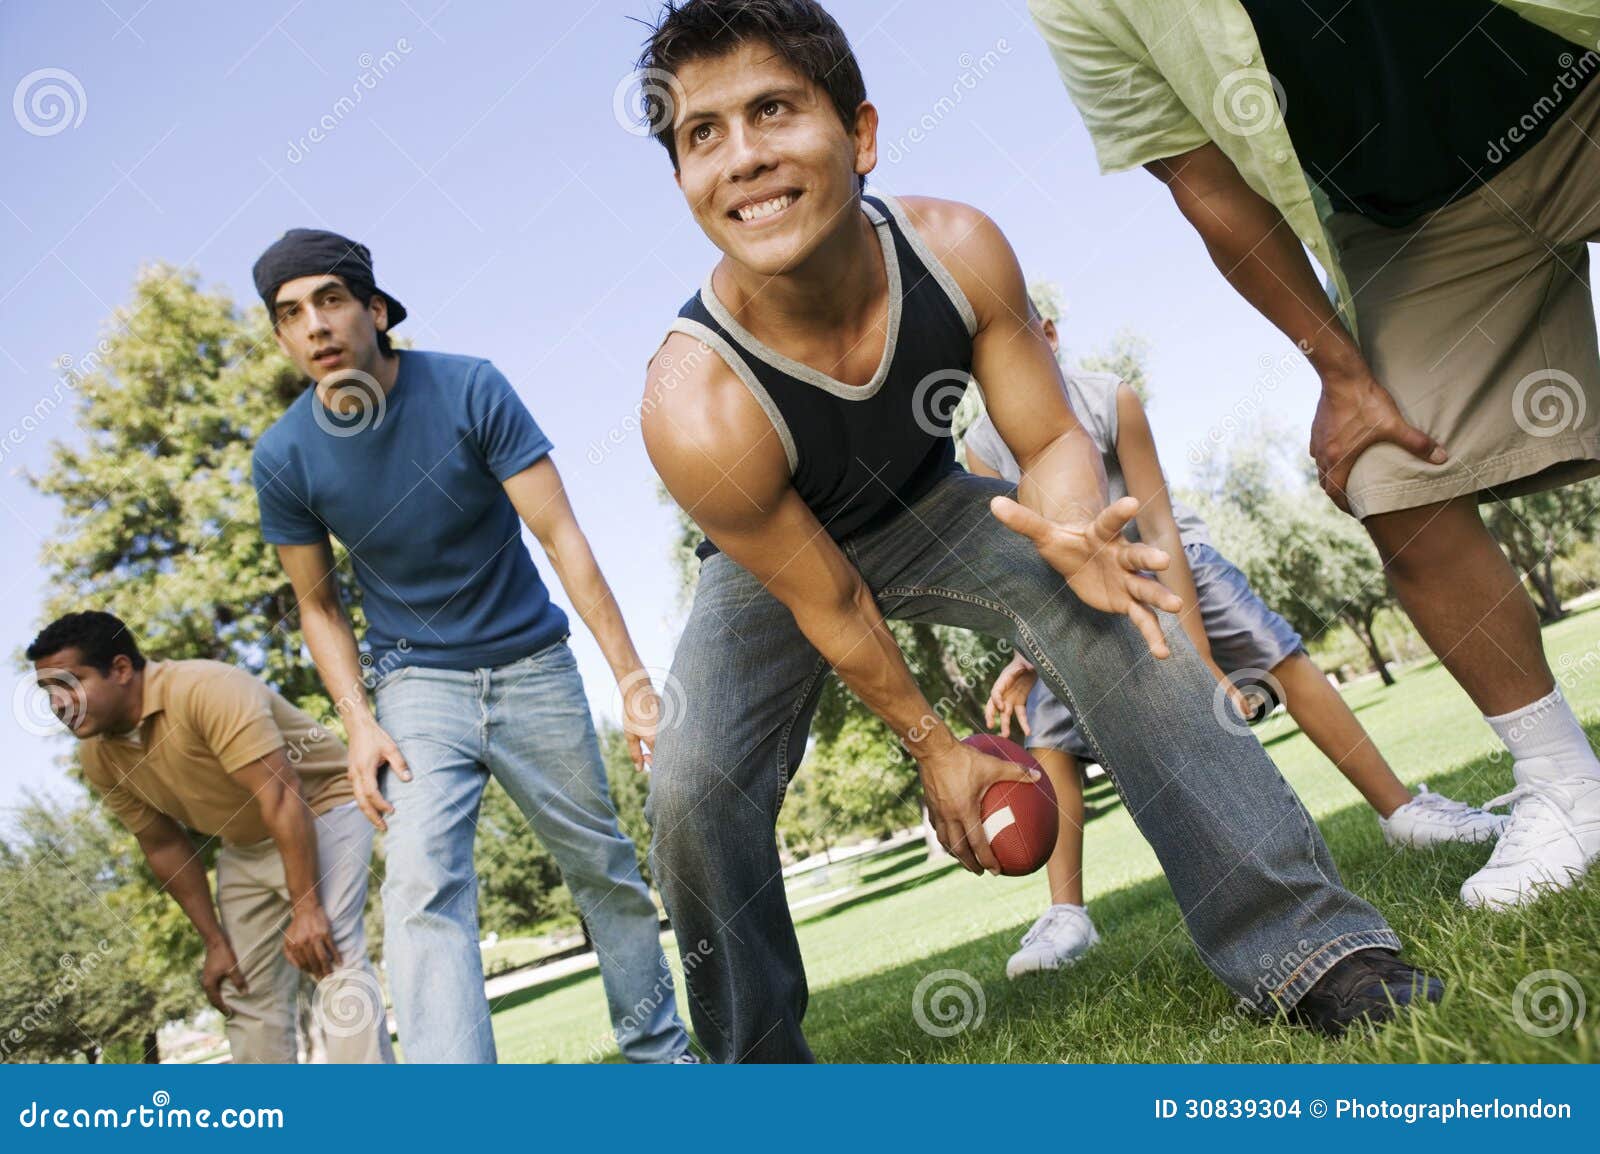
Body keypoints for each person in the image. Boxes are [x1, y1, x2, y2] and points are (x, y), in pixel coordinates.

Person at [634, 0, 1438, 1063]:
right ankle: (759, 1070)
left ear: (859, 134)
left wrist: (1070, 535)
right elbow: (828, 598)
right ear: (683, 177)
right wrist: (935, 749)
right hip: (775, 564)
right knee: (691, 780)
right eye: (702, 134)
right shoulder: (693, 403)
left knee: (1123, 615)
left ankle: (1310, 950)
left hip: (931, 503)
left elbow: (1051, 434)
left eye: (772, 110)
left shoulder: (956, 249)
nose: (740, 158)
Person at [1028, 0, 1600, 909]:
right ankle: (1567, 784)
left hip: (1578, 80)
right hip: (1418, 215)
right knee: (1390, 483)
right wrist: (1341, 372)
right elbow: (1202, 180)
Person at [248, 228, 692, 1063]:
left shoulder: (469, 388)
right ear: (280, 336)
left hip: (533, 666)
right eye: (291, 313)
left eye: (331, 300)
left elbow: (562, 537)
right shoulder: (283, 458)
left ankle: (664, 1061)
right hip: (414, 686)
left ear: (375, 311)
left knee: (603, 870)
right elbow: (319, 607)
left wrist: (631, 680)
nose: (314, 325)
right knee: (421, 888)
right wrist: (357, 723)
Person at [967, 301, 1505, 978]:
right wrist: (1027, 655)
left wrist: (1204, 662)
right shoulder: (981, 447)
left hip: (1170, 561)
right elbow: (1021, 567)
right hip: (1076, 594)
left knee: (1283, 661)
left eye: (1027, 332)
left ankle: (1403, 811)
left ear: (1050, 334)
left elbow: (1158, 525)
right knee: (1048, 732)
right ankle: (1066, 915)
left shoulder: (1110, 397)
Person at [27, 611, 393, 1064]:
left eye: (71, 683)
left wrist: (307, 908)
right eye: (48, 693)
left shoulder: (206, 689)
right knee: (244, 987)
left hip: (321, 808)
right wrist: (215, 942)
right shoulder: (98, 756)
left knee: (330, 954)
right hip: (245, 842)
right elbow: (164, 845)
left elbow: (280, 795)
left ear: (120, 669)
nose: (59, 703)